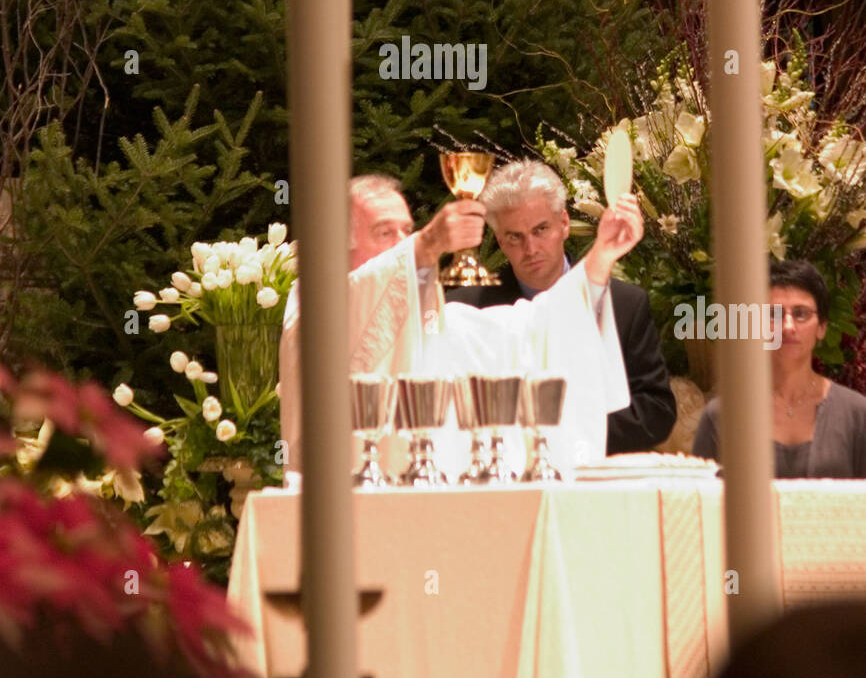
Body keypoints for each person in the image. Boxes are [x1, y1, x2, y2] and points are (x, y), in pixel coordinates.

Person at [279, 171, 644, 475]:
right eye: (384, 232)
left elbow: (534, 328)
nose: (404, 244)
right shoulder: (310, 307)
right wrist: (427, 244)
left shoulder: (441, 321)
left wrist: (601, 256)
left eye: (407, 231)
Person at [448, 159, 676, 454]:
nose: (530, 249)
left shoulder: (624, 304)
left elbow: (656, 412)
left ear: (565, 223)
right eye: (515, 237)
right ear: (501, 242)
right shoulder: (470, 312)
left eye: (541, 229)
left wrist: (570, 437)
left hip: (602, 474)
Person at [692, 259, 866, 478]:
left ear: (822, 327)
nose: (788, 326)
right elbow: (701, 504)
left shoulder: (856, 414)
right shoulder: (721, 417)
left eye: (801, 313)